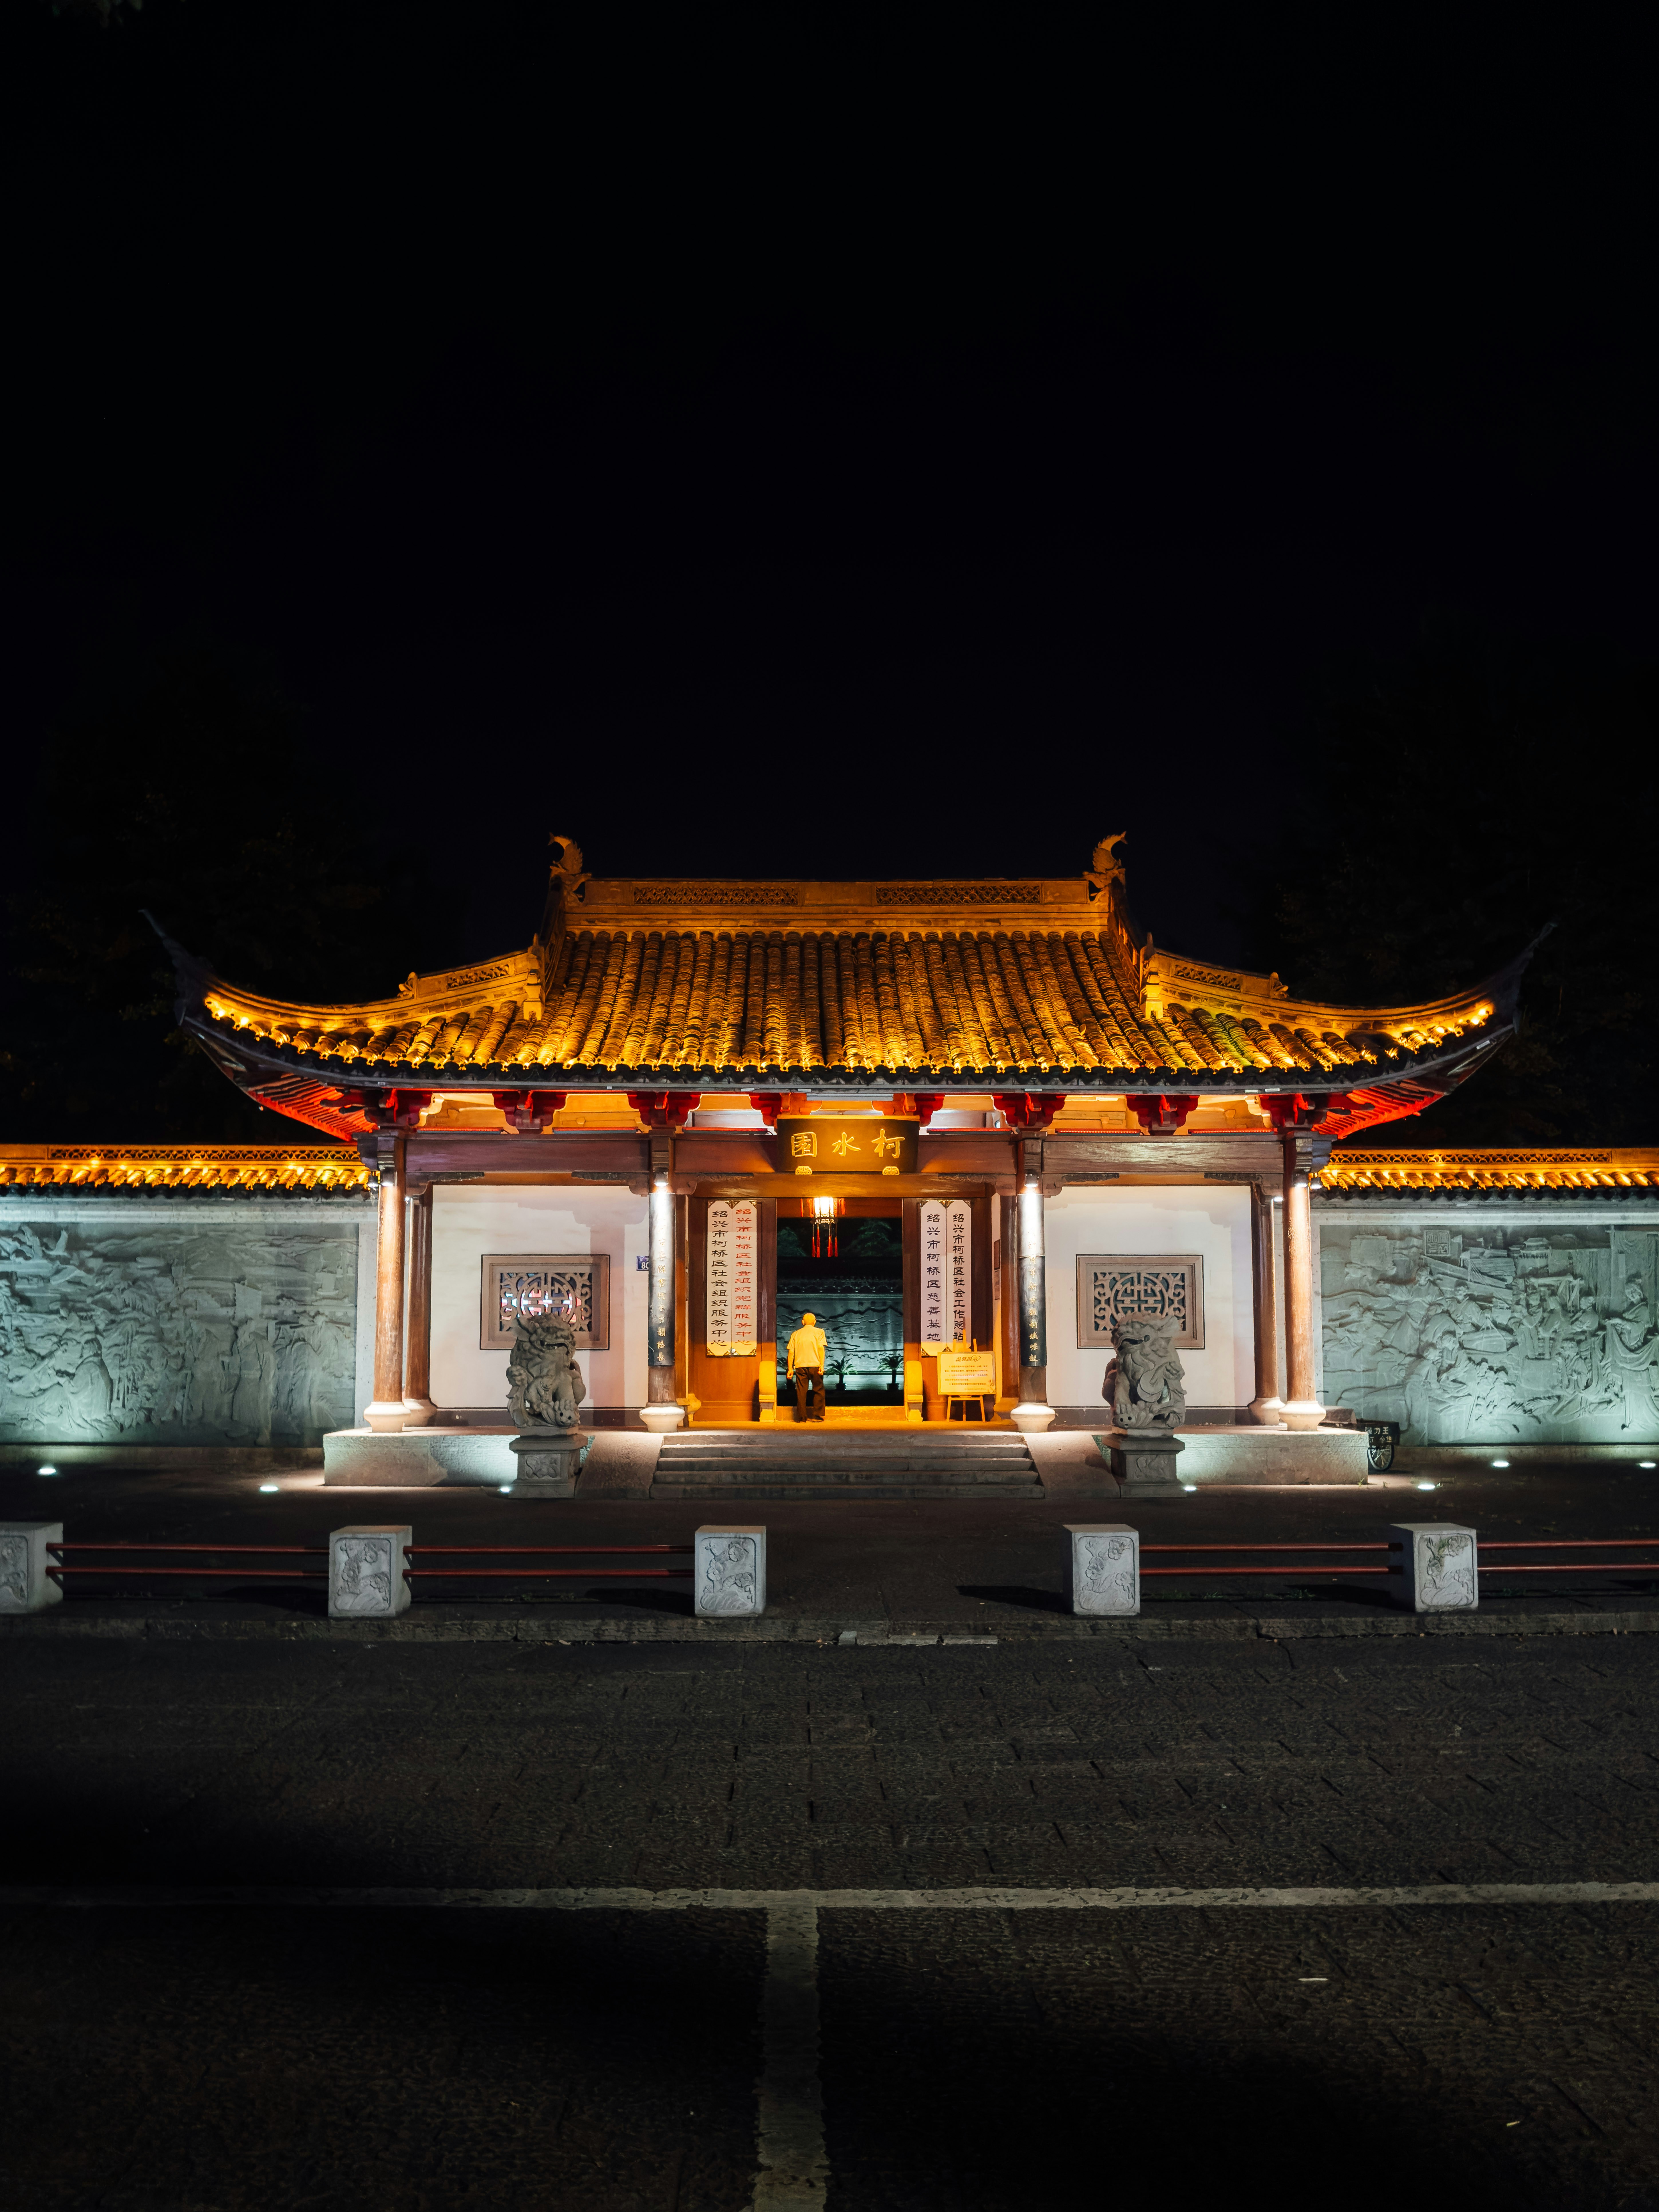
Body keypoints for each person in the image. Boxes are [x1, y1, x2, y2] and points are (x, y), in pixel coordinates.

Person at [786, 1310, 827, 1421]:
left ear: (803, 1322)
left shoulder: (796, 1334)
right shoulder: (819, 1332)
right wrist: (822, 1365)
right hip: (815, 1365)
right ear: (815, 1322)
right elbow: (820, 1348)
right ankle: (817, 1415)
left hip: (800, 1366)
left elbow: (791, 1352)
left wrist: (790, 1369)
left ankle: (802, 1417)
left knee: (801, 1391)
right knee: (819, 1389)